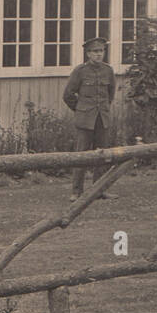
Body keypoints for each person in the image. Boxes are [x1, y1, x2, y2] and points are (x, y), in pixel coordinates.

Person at [63, 36, 117, 201]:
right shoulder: (80, 71)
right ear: (88, 53)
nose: (99, 55)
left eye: (101, 51)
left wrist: (103, 109)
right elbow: (68, 95)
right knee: (82, 155)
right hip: (85, 119)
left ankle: (99, 190)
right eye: (95, 51)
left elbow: (110, 94)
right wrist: (80, 110)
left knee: (102, 155)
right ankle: (77, 192)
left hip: (102, 118)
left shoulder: (108, 71)